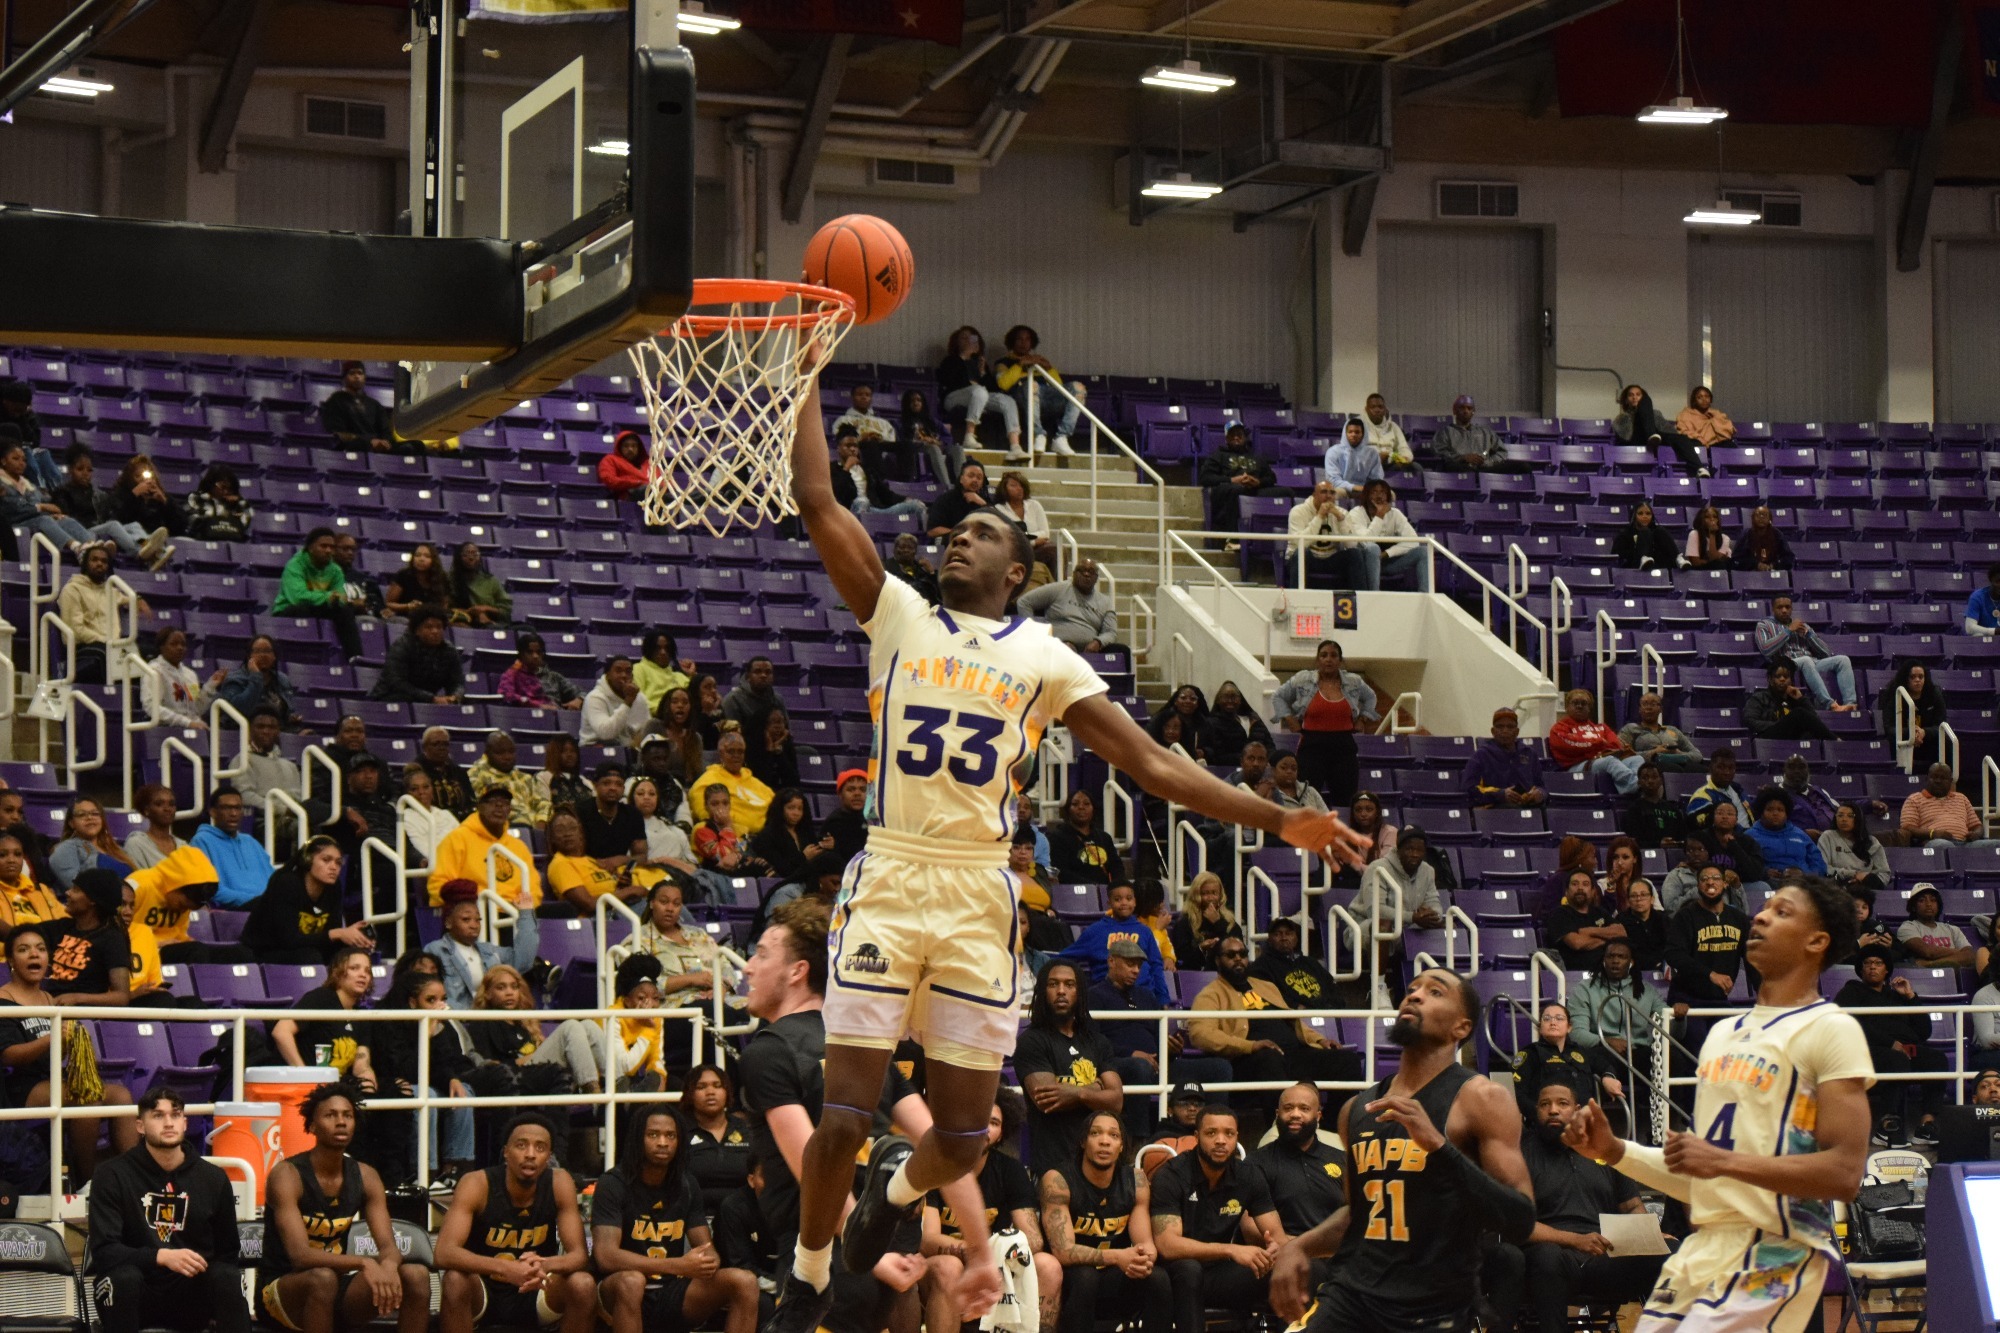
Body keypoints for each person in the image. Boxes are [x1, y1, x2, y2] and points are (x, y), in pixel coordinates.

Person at [771, 379, 1365, 1333]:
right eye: (954, 531)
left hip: (978, 891)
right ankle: (805, 1278)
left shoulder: (1046, 653)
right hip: (890, 872)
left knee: (961, 1139)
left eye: (981, 534)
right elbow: (819, 501)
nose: (958, 538)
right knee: (842, 1113)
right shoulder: (897, 614)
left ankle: (893, 1184)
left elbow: (1153, 762)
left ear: (1017, 570)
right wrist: (802, 384)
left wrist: (1272, 816)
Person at [1563, 875, 1869, 1329]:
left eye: (1783, 912)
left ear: (1816, 941)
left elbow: (1844, 1173)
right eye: (1765, 907)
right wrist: (1614, 1152)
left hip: (1777, 1248)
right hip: (1704, 1249)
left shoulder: (1831, 1029)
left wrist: (1722, 1162)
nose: (1761, 916)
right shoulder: (1723, 1035)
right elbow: (1702, 1176)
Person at [735, 899, 998, 1328]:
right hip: (887, 1257)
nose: (749, 966)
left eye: (763, 953)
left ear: (797, 971)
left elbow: (815, 1169)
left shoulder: (768, 1052)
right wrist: (981, 1253)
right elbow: (947, 1152)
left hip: (825, 1260)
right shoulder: (864, 1051)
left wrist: (868, 1256)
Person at [1269, 969, 1534, 1333]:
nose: (1415, 995)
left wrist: (1439, 1147)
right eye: (1411, 989)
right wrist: (1297, 1247)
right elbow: (1357, 1215)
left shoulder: (1482, 1099)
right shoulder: (1355, 1109)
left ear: (1461, 1028)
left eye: (1435, 991)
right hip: (1351, 1294)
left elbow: (1520, 1219)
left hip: (1432, 1305)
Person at [259, 1079, 430, 1333]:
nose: (341, 1122)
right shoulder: (287, 1175)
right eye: (330, 1115)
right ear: (313, 1125)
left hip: (335, 1290)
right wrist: (364, 1263)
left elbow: (388, 1248)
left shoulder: (366, 1176)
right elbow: (300, 1256)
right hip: (283, 1291)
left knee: (416, 1276)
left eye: (347, 1115)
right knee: (322, 1277)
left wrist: (389, 1267)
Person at [86, 1087, 249, 1333]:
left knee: (226, 1277)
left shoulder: (213, 1178)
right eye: (158, 1115)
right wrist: (160, 1256)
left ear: (185, 1123)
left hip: (191, 1293)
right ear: (140, 1126)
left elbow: (227, 1252)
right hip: (138, 1290)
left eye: (175, 1115)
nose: (169, 1123)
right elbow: (105, 1252)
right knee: (124, 1279)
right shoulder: (111, 1175)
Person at [1508, 1083, 1668, 1333]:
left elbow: (1632, 1206)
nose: (1553, 1110)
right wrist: (1575, 1240)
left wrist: (1648, 1236)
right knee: (1545, 1256)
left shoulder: (1603, 1149)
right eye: (1544, 1104)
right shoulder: (1519, 1154)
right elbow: (1520, 1224)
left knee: (1672, 1252)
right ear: (1535, 1111)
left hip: (1606, 1255)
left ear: (1577, 1110)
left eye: (1562, 1103)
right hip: (1554, 1256)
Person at [593, 1103, 759, 1333]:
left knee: (744, 1281)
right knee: (631, 1282)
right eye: (653, 1135)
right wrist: (677, 1265)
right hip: (618, 1291)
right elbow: (606, 1257)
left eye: (670, 1135)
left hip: (670, 1290)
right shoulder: (613, 1183)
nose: (663, 1142)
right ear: (637, 1139)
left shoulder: (686, 1183)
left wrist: (707, 1260)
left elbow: (705, 1247)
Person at [0, 920, 139, 1180]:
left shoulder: (50, 999)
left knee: (120, 1095)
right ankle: (86, 1183)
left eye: (40, 949)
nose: (34, 954)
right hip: (16, 1088)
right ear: (11, 961)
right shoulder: (3, 1001)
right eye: (24, 949)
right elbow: (9, 1055)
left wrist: (69, 1042)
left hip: (50, 1080)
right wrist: (51, 1039)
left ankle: (131, 1182)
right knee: (87, 1097)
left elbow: (56, 1054)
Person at [434, 1114, 597, 1333]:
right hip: (484, 1290)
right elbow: (444, 1252)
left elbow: (579, 1256)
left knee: (583, 1284)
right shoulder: (476, 1184)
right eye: (521, 1145)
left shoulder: (559, 1182)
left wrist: (545, 1265)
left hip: (537, 1287)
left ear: (549, 1156)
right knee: (455, 1280)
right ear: (505, 1152)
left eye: (540, 1148)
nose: (530, 1154)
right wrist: (506, 1268)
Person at [917, 1097, 1062, 1333]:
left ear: (1002, 1134)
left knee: (1048, 1265)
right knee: (949, 1266)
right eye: (979, 1120)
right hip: (941, 1267)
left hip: (998, 1263)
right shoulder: (938, 1165)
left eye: (993, 1123)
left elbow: (1033, 1241)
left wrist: (992, 1256)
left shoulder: (1011, 1170)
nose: (984, 1129)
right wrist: (975, 1251)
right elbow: (928, 1240)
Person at [1150, 1105, 1286, 1333]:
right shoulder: (1172, 1175)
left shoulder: (1249, 1175)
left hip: (1220, 1275)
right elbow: (1167, 1246)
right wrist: (1231, 1250)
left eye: (1228, 1134)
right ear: (1196, 1137)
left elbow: (1277, 1236)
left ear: (1237, 1137)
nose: (1221, 1141)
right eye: (1211, 1133)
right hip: (1173, 1275)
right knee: (1189, 1269)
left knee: (1289, 1267)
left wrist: (1274, 1251)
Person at [1186, 939, 1359, 1114]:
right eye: (1231, 955)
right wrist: (1251, 1046)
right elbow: (1201, 1034)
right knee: (1269, 1057)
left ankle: (1332, 1126)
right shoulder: (1210, 994)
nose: (1238, 959)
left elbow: (1292, 1021)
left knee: (1346, 1061)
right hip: (1250, 1061)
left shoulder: (1266, 986)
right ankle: (1280, 1130)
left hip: (1293, 1055)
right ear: (1217, 960)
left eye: (1243, 954)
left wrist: (1320, 1039)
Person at [1041, 1112, 1170, 1333]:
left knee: (1158, 1278)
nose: (1104, 1141)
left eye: (1113, 1135)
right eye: (1095, 1133)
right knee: (1086, 1277)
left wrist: (1144, 1259)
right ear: (1083, 1141)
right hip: (1070, 1276)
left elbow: (1146, 1242)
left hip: (1115, 1273)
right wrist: (1118, 1257)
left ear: (1121, 1146)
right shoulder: (1058, 1179)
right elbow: (1063, 1251)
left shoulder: (1136, 1180)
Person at [1016, 959, 1122, 1175]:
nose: (1061, 991)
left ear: (1080, 992)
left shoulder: (1097, 1041)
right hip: (1053, 1165)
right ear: (1043, 991)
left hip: (1096, 1167)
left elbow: (1116, 1102)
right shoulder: (1032, 1041)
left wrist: (1076, 1093)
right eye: (1053, 984)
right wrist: (1096, 1088)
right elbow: (1047, 1100)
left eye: (1069, 985)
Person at [1835, 944, 1944, 1147]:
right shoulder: (1851, 992)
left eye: (1878, 963)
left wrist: (1911, 998)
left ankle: (1926, 1125)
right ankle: (1887, 1125)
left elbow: (1924, 1031)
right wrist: (1890, 1043)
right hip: (1866, 1052)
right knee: (1896, 1059)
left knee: (1937, 1059)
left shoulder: (1897, 995)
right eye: (1867, 963)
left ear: (1887, 969)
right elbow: (1849, 1024)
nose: (1872, 967)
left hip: (1903, 1050)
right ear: (1860, 969)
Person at [1269, 639, 1378, 806]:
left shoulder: (1354, 681)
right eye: (1324, 655)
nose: (1328, 659)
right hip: (1312, 747)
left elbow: (1371, 697)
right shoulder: (1302, 679)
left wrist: (1363, 718)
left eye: (1334, 655)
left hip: (1344, 748)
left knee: (1346, 800)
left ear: (1340, 661)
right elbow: (1278, 696)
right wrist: (1290, 719)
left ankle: (1341, 832)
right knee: (1306, 799)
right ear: (1317, 659)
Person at [425, 883, 541, 1010]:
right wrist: (470, 1016)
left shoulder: (489, 951)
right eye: (466, 919)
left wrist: (526, 914)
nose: (474, 925)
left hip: (490, 1021)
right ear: (448, 923)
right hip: (458, 1020)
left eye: (478, 920)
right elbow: (433, 994)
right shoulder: (435, 950)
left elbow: (523, 961)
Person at [425, 787, 542, 909]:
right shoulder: (457, 839)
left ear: (509, 810)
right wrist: (479, 903)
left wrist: (519, 905)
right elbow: (438, 885)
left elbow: (534, 889)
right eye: (492, 801)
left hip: (514, 911)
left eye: (505, 802)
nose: (499, 806)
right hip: (476, 912)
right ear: (479, 807)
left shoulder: (519, 847)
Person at [1566, 939, 1667, 1079]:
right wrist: (1607, 1041)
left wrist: (1679, 1019)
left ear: (1631, 962)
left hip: (1638, 1051)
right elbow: (1576, 1033)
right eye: (1610, 956)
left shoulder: (1647, 990)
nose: (1615, 961)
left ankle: (1658, 1101)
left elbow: (1669, 1027)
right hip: (1602, 1051)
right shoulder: (1584, 989)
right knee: (1594, 1057)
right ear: (1603, 960)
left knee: (1671, 1057)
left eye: (1621, 957)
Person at [1664, 863, 1753, 1017]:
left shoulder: (1739, 919)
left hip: (1719, 1000)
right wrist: (1710, 974)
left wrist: (1765, 996)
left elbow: (1751, 959)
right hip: (1686, 1000)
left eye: (1716, 878)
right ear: (1698, 886)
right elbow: (1674, 954)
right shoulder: (1685, 916)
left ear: (1724, 884)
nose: (1710, 882)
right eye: (1704, 879)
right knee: (1698, 1039)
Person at [1511, 1001, 1625, 1119]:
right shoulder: (1530, 1054)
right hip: (1548, 1125)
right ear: (1540, 1027)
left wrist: (1608, 1077)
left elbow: (1605, 1065)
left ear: (1569, 1027)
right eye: (1547, 1018)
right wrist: (1543, 1114)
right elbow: (1518, 1095)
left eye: (1559, 1018)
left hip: (1583, 1124)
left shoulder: (1581, 1051)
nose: (1553, 1022)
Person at [1748, 594, 1854, 715]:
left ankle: (1850, 704)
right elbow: (1766, 649)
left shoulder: (1802, 625)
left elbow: (1826, 653)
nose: (1784, 610)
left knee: (1843, 660)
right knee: (1806, 660)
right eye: (1780, 607)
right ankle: (1829, 704)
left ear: (1791, 609)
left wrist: (1809, 636)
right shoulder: (1764, 625)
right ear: (1773, 609)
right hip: (1787, 664)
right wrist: (1788, 631)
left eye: (1787, 607)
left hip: (1812, 664)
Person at [275, 528, 363, 661]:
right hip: (288, 610)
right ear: (310, 548)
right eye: (323, 546)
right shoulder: (295, 565)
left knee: (345, 611)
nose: (328, 550)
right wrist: (328, 597)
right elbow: (297, 597)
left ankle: (355, 658)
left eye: (331, 547)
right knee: (301, 608)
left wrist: (338, 600)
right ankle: (303, 658)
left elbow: (340, 598)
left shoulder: (335, 570)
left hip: (318, 607)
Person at [994, 324, 1083, 457]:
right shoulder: (1003, 362)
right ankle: (1038, 434)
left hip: (1045, 399)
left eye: (1027, 339)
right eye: (1019, 339)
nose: (1024, 343)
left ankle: (1062, 437)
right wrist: (1020, 365)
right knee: (1032, 385)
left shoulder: (1039, 362)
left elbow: (1058, 387)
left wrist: (1048, 369)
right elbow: (1003, 384)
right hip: (1020, 399)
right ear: (1012, 341)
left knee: (1078, 387)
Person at [936, 326, 1020, 459]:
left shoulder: (979, 363)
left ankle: (1015, 445)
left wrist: (983, 373)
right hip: (954, 397)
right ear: (956, 342)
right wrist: (963, 356)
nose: (968, 341)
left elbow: (993, 389)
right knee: (979, 391)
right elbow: (948, 381)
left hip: (979, 396)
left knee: (1007, 400)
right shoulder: (950, 360)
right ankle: (969, 435)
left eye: (972, 338)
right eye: (964, 338)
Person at [190, 786, 274, 909]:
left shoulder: (250, 842)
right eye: (226, 808)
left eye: (238, 808)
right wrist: (257, 900)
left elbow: (273, 880)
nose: (234, 813)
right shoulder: (201, 841)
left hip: (266, 909)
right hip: (234, 913)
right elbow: (209, 889)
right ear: (212, 812)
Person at [1548, 688, 1644, 796]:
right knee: (1609, 761)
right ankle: (1637, 787)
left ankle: (1637, 786)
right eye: (1575, 703)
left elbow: (1616, 745)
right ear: (1567, 707)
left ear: (1589, 708)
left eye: (1584, 703)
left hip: (1601, 762)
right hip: (1576, 767)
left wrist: (1589, 747)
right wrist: (1599, 743)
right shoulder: (1559, 728)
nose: (1579, 706)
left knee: (1636, 759)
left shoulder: (1601, 728)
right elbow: (1569, 745)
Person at [1197, 425, 1276, 553]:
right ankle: (1232, 539)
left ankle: (1282, 539)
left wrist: (1257, 482)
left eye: (1239, 434)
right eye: (1232, 435)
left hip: (1254, 490)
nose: (1236, 437)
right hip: (1227, 492)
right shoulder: (1219, 455)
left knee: (1285, 492)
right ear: (1226, 438)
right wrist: (1232, 480)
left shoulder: (1256, 457)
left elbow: (1272, 478)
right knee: (1237, 489)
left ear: (1245, 437)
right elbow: (1205, 478)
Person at [679, 1064, 753, 1200]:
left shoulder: (746, 1130)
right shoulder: (679, 1132)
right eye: (701, 1087)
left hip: (740, 1214)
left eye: (717, 1086)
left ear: (727, 1091)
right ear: (689, 1094)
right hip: (695, 1215)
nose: (710, 1092)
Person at [1017, 558, 1119, 651]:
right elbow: (1024, 602)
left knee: (1122, 650)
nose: (1086, 574)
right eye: (1082, 570)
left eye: (1091, 572)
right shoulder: (1058, 589)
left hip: (1090, 651)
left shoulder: (1105, 602)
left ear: (1096, 578)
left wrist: (1098, 642)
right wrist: (1033, 632)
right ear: (1074, 574)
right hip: (1057, 645)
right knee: (1066, 650)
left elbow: (1110, 632)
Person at [55, 543, 122, 682]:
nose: (99, 564)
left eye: (104, 561)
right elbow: (75, 630)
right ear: (85, 564)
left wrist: (138, 599)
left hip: (109, 646)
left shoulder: (110, 591)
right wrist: (105, 641)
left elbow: (127, 598)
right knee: (107, 655)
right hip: (82, 649)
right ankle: (112, 699)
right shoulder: (71, 589)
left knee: (140, 655)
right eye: (94, 560)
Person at [830, 428, 927, 523]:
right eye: (848, 445)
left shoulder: (867, 469)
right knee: (862, 501)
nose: (852, 449)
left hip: (877, 511)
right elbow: (838, 492)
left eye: (855, 446)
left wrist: (905, 499)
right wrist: (846, 468)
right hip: (851, 513)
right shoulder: (833, 469)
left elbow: (885, 494)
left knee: (917, 506)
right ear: (838, 448)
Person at [1348, 479, 1429, 592]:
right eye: (1374, 492)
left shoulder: (1395, 514)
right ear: (1366, 495)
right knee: (1373, 548)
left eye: (1383, 492)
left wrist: (1387, 553)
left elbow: (1413, 541)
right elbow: (1365, 541)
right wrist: (1379, 516)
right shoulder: (1356, 513)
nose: (1379, 496)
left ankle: (1425, 595)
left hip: (1387, 562)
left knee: (1423, 551)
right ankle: (1373, 593)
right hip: (1364, 563)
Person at [370, 608, 464, 704]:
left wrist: (455, 696)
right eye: (429, 627)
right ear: (417, 631)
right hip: (388, 698)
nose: (435, 631)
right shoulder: (402, 646)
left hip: (425, 701)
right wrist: (431, 699)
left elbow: (457, 682)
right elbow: (397, 683)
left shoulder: (449, 650)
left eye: (439, 627)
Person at [1899, 761, 1998, 850]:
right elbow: (1907, 827)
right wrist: (1933, 833)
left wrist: (1976, 834)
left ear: (1950, 781)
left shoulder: (1961, 798)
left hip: (1965, 844)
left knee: (1997, 845)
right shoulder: (1914, 799)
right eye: (1934, 777)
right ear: (1927, 779)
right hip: (1933, 843)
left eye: (1943, 778)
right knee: (1943, 846)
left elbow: (1977, 825)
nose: (1938, 781)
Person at [1613, 384, 1706, 478]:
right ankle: (1651, 434)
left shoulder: (1655, 413)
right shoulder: (1622, 417)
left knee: (1684, 439)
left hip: (1656, 438)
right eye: (1631, 395)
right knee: (1646, 401)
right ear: (1626, 400)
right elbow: (1626, 436)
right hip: (1637, 438)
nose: (1634, 397)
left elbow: (1669, 432)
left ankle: (1699, 468)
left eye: (1638, 394)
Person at [1461, 707, 1545, 808]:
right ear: (1493, 731)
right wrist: (1501, 794)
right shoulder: (1481, 755)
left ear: (1517, 732)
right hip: (1494, 811)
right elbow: (1469, 788)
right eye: (1500, 727)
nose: (1505, 731)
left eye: (1510, 727)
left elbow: (1541, 786)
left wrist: (1539, 794)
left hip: (1528, 810)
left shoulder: (1530, 754)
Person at [1286, 479, 1363, 589]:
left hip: (1329, 559)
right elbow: (1300, 544)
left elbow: (1351, 545)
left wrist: (1341, 519)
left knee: (1354, 554)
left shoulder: (1341, 513)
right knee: (1302, 553)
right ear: (1314, 495)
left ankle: (1361, 600)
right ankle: (1295, 599)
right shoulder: (1298, 511)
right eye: (1323, 492)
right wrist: (1319, 517)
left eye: (1332, 493)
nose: (1328, 496)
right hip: (1304, 559)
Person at [1544, 869, 1624, 972]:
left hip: (1607, 972)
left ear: (1592, 891)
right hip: (1576, 975)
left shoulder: (1599, 912)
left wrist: (1589, 931)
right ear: (1566, 892)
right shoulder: (1559, 914)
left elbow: (1621, 932)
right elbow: (1577, 943)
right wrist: (1609, 939)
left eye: (1585, 884)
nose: (1580, 888)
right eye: (1575, 884)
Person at [49, 798, 134, 891]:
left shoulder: (117, 849)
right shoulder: (65, 849)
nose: (90, 818)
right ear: (71, 823)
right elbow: (75, 887)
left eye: (95, 813)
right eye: (81, 815)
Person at [1878, 660, 1948, 771]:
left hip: (1926, 741)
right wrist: (1911, 733)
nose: (1917, 680)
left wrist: (1924, 732)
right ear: (1906, 679)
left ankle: (1949, 782)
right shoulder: (1894, 695)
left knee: (1948, 740)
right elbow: (1889, 729)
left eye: (1921, 677)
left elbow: (1941, 725)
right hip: (1902, 743)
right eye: (1913, 677)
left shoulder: (1934, 693)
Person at [1428, 394, 1526, 472]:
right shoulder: (1445, 432)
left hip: (1485, 468)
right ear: (1455, 410)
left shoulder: (1485, 432)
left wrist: (1488, 462)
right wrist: (1463, 458)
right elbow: (1438, 452)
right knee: (1451, 466)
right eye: (1462, 408)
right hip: (1461, 468)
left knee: (1522, 467)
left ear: (1473, 411)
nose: (1466, 411)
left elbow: (1502, 452)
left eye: (1469, 408)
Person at [1744, 788, 1827, 877]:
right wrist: (1764, 872)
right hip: (1770, 883)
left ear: (1787, 813)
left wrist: (1808, 875)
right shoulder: (1749, 836)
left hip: (1804, 881)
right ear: (1761, 812)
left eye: (1780, 810)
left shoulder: (1800, 834)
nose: (1775, 813)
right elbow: (1745, 864)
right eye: (1770, 809)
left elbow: (1818, 861)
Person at [1169, 872, 1242, 971]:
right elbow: (1182, 957)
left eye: (1214, 893)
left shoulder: (1230, 923)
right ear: (1196, 895)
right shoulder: (1184, 923)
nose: (1210, 898)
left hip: (1226, 976)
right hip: (1194, 976)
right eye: (1205, 893)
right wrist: (1201, 948)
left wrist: (1218, 923)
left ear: (1220, 895)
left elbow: (1237, 952)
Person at [1693, 800, 1766, 898]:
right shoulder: (1701, 838)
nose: (1725, 817)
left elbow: (1755, 874)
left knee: (1762, 887)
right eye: (1720, 813)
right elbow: (1694, 865)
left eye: (1730, 814)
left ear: (1736, 820)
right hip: (1708, 885)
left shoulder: (1747, 841)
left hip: (1739, 885)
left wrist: (1734, 847)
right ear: (1713, 817)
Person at [1618, 692, 1703, 773]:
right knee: (1672, 768)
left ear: (1660, 709)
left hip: (1677, 762)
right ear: (1639, 709)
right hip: (1649, 767)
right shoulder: (1630, 729)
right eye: (1645, 704)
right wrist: (1653, 752)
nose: (1649, 707)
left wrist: (1679, 754)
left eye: (1653, 704)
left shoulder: (1673, 730)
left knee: (1701, 770)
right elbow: (1622, 755)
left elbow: (1697, 755)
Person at [1896, 882, 1975, 969]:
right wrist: (1960, 953)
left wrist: (1929, 964)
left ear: (1938, 905)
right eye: (1922, 900)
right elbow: (1928, 952)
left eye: (1933, 900)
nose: (1928, 904)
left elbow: (1969, 956)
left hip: (1950, 975)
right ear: (1913, 907)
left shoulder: (1952, 929)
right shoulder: (1908, 927)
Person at [497, 633, 584, 710]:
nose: (535, 656)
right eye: (530, 652)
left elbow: (582, 694)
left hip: (556, 717)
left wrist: (579, 700)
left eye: (538, 652)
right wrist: (539, 706)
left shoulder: (554, 677)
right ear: (521, 655)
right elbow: (506, 694)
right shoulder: (512, 674)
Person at [319, 361, 395, 449]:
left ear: (364, 377)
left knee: (408, 446)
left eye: (360, 373)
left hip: (379, 447)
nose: (357, 376)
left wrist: (384, 442)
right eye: (352, 373)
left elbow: (386, 431)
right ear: (344, 378)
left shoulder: (374, 404)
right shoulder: (336, 401)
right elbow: (339, 433)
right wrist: (369, 442)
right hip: (353, 446)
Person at [1819, 802, 1889, 896]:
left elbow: (1884, 873)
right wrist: (1854, 874)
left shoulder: (1872, 841)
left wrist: (1866, 879)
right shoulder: (1827, 836)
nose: (1844, 819)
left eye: (1850, 816)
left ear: (1858, 819)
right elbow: (1822, 867)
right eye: (1840, 815)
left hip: (1866, 889)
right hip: (1836, 888)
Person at [994, 471, 1058, 572]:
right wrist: (1033, 541)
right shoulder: (999, 509)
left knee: (1056, 550)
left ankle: (1058, 585)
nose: (1019, 489)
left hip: (1035, 551)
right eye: (1013, 486)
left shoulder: (1034, 505)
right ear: (1004, 488)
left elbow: (1045, 533)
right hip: (1013, 553)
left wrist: (1024, 537)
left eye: (1021, 485)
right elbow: (1009, 538)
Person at [582, 658, 650, 750]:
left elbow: (645, 730)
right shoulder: (595, 698)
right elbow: (606, 734)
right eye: (618, 671)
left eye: (628, 672)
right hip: (596, 748)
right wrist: (627, 703)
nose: (624, 675)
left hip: (629, 749)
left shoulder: (639, 697)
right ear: (608, 675)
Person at [1623, 762, 1689, 850]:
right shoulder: (1634, 810)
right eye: (1645, 778)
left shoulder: (1674, 810)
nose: (1650, 781)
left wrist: (1675, 843)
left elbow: (1683, 838)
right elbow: (1634, 842)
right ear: (1639, 782)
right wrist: (1658, 844)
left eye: (1654, 777)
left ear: (1661, 781)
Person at [121, 783, 187, 870]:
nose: (167, 809)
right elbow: (138, 880)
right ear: (146, 810)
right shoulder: (136, 844)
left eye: (171, 804)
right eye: (159, 804)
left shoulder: (183, 846)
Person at [1684, 747, 1750, 831]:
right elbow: (1704, 831)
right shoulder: (1702, 796)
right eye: (1721, 767)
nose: (1727, 772)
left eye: (1731, 768)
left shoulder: (1738, 790)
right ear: (1710, 768)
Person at [384, 542, 452, 620]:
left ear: (434, 560)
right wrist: (408, 606)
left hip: (432, 619)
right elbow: (389, 603)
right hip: (405, 617)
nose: (421, 559)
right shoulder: (403, 575)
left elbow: (444, 605)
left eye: (427, 556)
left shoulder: (442, 577)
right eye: (417, 555)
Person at [186, 462, 253, 542]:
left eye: (230, 488)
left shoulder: (237, 503)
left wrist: (240, 502)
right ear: (211, 483)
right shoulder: (197, 498)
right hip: (201, 541)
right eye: (222, 486)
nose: (226, 491)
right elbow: (192, 522)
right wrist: (221, 517)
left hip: (231, 543)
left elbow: (244, 525)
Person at [449, 542, 511, 628]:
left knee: (526, 629)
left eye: (475, 554)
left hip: (493, 622)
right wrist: (473, 612)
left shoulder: (490, 580)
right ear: (458, 558)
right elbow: (445, 609)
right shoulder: (450, 580)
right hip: (464, 621)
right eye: (466, 554)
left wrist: (485, 608)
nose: (471, 558)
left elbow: (506, 611)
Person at [1322, 417, 1384, 502]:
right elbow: (1333, 480)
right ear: (1345, 433)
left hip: (1365, 490)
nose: (1353, 435)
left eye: (1357, 432)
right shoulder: (1333, 451)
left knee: (1390, 495)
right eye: (1350, 432)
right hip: (1343, 489)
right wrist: (1355, 487)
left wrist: (1370, 489)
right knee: (1336, 493)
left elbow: (1377, 479)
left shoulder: (1372, 453)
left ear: (1363, 434)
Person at [632, 630, 696, 713]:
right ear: (649, 649)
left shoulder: (679, 676)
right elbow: (637, 701)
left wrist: (692, 675)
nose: (663, 652)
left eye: (667, 648)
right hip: (652, 720)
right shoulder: (638, 669)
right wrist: (665, 711)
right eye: (658, 648)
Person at [1617, 880, 1670, 972]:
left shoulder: (1664, 919)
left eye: (1643, 895)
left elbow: (1671, 947)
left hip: (1663, 968)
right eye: (1633, 896)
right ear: (1628, 900)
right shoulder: (1620, 921)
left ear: (1652, 899)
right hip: (1633, 971)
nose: (1639, 899)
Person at [1613, 501, 1683, 570]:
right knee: (1645, 531)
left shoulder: (1657, 531)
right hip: (1634, 567)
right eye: (1640, 513)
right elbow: (1618, 555)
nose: (1645, 516)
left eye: (1648, 513)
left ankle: (1678, 558)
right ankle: (1643, 558)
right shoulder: (1625, 533)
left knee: (1660, 530)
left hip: (1655, 566)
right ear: (1634, 516)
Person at [720, 657, 781, 729]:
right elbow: (731, 735)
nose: (763, 675)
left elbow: (787, 732)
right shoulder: (732, 700)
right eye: (757, 672)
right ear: (748, 676)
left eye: (768, 672)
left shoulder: (778, 699)